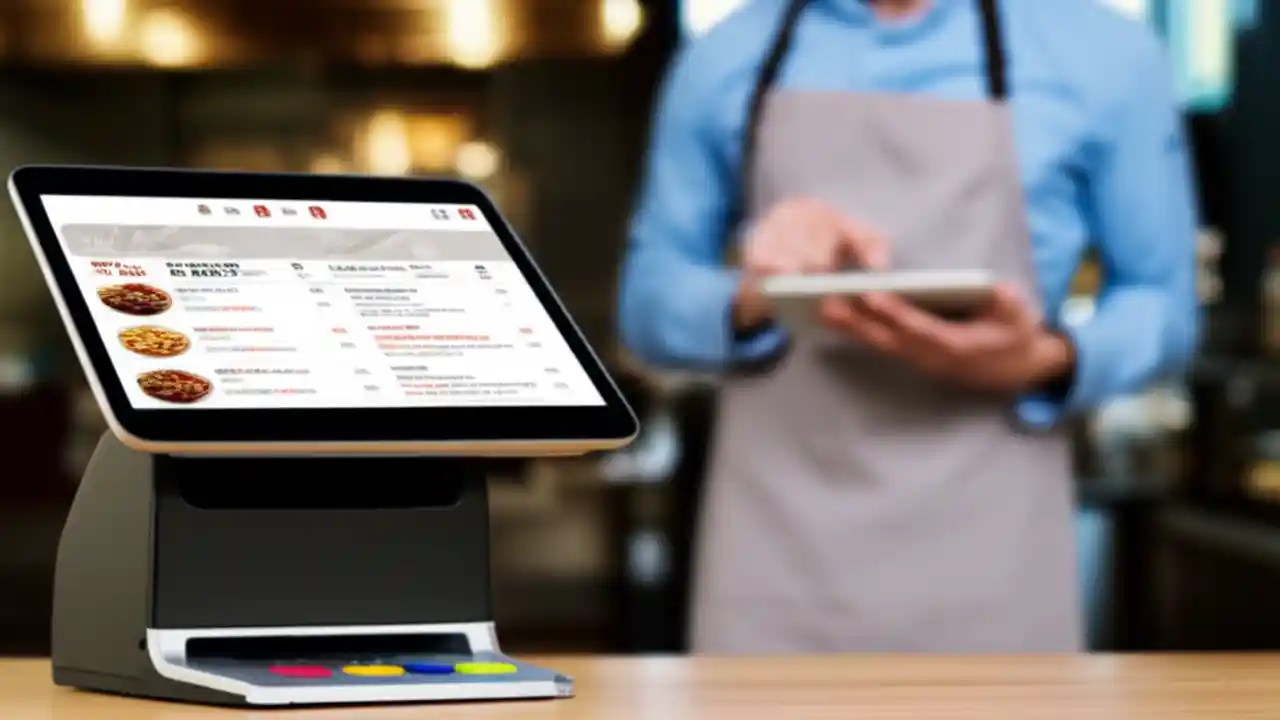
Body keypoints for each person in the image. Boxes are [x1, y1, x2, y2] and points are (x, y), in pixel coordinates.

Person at [618, 0, 1199, 653]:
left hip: (995, 558)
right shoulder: (724, 57)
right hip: (777, 566)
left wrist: (1044, 356)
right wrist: (759, 293)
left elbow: (1165, 306)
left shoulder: (1108, 55)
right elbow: (646, 306)